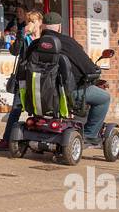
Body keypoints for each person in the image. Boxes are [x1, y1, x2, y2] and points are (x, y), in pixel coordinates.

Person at [34, 12, 112, 144]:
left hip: (37, 93)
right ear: (59, 27)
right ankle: (89, 134)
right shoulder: (68, 43)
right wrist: (94, 71)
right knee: (104, 98)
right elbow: (88, 68)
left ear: (42, 27)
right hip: (67, 93)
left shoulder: (34, 45)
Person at [0, 10, 41, 151]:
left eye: (33, 21)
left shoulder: (45, 38)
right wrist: (22, 34)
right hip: (24, 78)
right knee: (16, 109)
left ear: (40, 22)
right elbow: (14, 51)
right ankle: (7, 139)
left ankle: (38, 141)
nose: (30, 24)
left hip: (40, 79)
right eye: (28, 21)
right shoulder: (24, 38)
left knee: (40, 110)